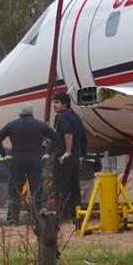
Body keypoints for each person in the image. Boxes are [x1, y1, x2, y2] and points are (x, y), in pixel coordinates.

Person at [0, 104, 62, 224]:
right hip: (35, 161)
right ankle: (37, 219)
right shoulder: (40, 125)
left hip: (17, 162)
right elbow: (56, 139)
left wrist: (4, 154)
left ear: (20, 114)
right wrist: (48, 153)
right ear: (32, 113)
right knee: (36, 191)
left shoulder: (12, 125)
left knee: (15, 191)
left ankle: (13, 219)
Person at [52, 93, 87, 223]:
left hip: (64, 159)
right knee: (75, 188)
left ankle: (63, 215)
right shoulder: (76, 118)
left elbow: (68, 134)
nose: (54, 106)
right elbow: (84, 137)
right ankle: (76, 214)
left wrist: (67, 152)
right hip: (75, 159)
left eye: (56, 103)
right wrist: (81, 154)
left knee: (62, 187)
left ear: (65, 104)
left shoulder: (63, 118)